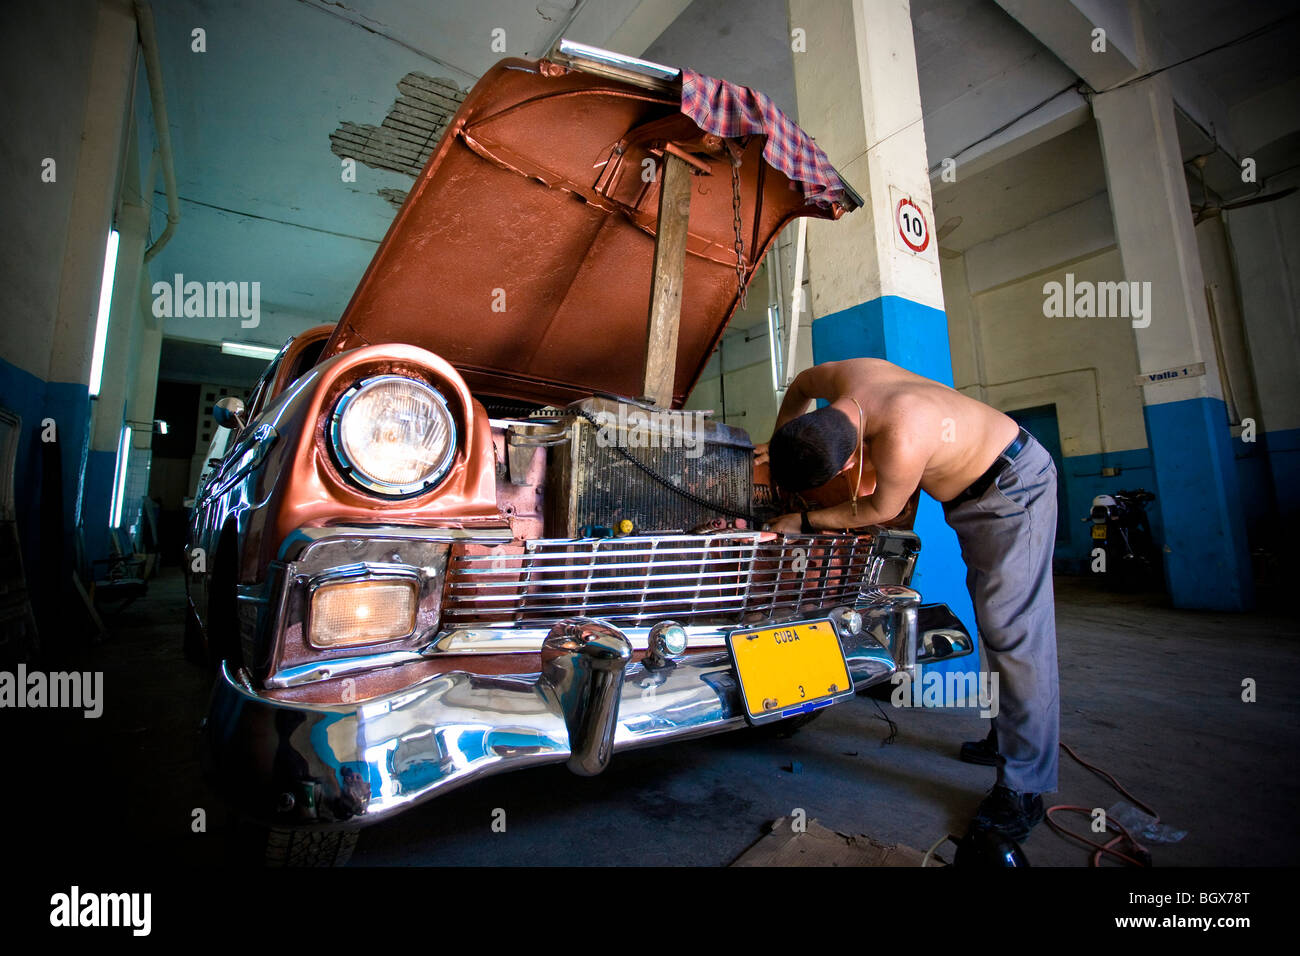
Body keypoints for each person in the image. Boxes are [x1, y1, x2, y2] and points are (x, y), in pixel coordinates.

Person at [758, 358, 1059, 840]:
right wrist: (784, 443)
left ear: (851, 461)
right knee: (994, 615)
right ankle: (1008, 738)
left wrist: (804, 521)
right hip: (971, 491)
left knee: (1014, 631)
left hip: (1012, 489)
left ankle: (1025, 785)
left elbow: (881, 506)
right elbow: (797, 387)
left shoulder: (902, 437)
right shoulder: (840, 378)